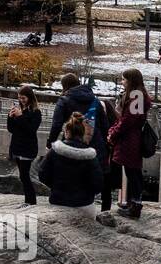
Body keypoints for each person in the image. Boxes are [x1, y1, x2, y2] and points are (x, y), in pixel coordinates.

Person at [47, 73, 113, 212]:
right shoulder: (95, 100)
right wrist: (106, 144)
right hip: (96, 145)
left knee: (72, 176)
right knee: (102, 179)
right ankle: (105, 212)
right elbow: (105, 125)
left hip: (73, 145)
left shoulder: (64, 101)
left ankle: (73, 207)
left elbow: (56, 124)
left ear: (65, 86)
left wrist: (51, 142)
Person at [108, 68, 153, 219]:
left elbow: (129, 120)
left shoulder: (137, 96)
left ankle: (135, 206)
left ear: (131, 81)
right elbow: (125, 118)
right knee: (131, 171)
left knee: (133, 172)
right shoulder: (136, 95)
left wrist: (113, 133)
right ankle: (132, 203)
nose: (122, 82)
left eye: (124, 79)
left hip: (130, 140)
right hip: (130, 138)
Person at [37, 112, 105, 209]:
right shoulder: (90, 156)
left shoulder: (54, 151)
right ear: (83, 133)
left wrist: (56, 187)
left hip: (58, 202)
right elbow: (98, 184)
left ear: (66, 131)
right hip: (84, 204)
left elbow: (42, 174)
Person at [6, 85, 42, 205]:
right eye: (19, 98)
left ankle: (31, 201)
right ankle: (29, 200)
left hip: (27, 148)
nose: (21, 100)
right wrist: (10, 117)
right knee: (23, 176)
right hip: (17, 147)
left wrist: (20, 117)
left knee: (24, 176)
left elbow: (31, 130)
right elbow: (11, 129)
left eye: (23, 98)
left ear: (30, 97)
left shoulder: (36, 112)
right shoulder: (20, 109)